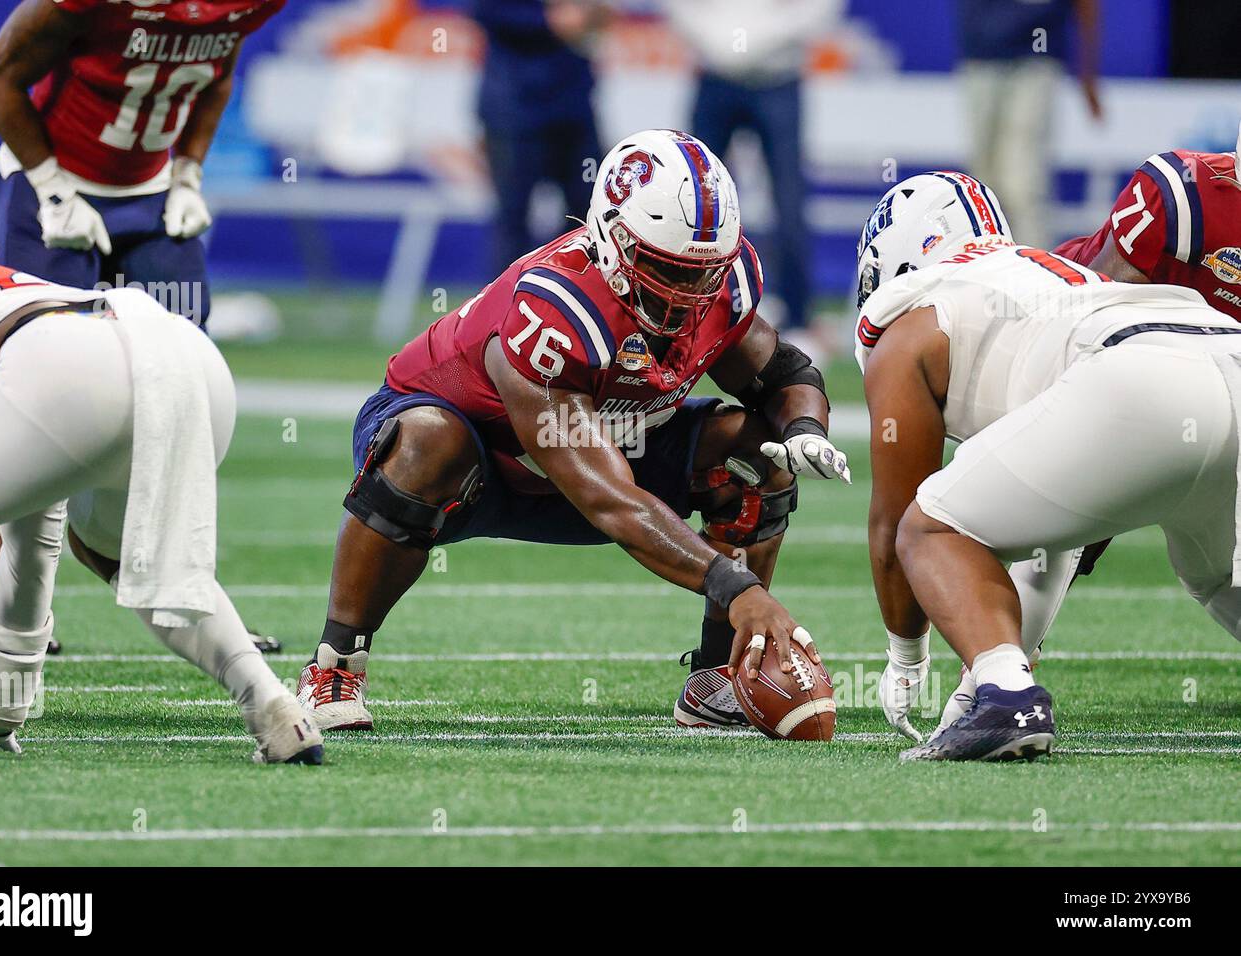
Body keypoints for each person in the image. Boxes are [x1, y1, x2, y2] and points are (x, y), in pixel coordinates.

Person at [295, 130, 850, 732]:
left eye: (703, 273)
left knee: (756, 459)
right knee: (430, 440)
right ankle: (335, 662)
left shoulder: (724, 283)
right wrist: (739, 589)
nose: (688, 293)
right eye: (667, 269)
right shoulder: (556, 310)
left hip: (611, 445)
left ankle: (718, 679)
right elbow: (606, 499)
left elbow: (784, 372)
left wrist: (802, 429)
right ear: (611, 240)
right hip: (482, 458)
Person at [859, 171, 1241, 761]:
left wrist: (906, 656)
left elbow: (895, 527)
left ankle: (1008, 695)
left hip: (1141, 380)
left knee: (928, 524)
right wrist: (981, 681)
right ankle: (1002, 689)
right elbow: (1050, 540)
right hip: (1224, 348)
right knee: (1212, 572)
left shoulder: (913, 324)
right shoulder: (1043, 272)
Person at [0, 0, 284, 651]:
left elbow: (217, 70)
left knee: (186, 389)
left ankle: (191, 597)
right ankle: (5, 601)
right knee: (30, 390)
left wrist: (189, 171)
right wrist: (50, 186)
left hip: (152, 193)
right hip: (53, 184)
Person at [0, 227, 321, 762]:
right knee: (130, 555)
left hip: (65, 369)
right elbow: (34, 515)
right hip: (186, 360)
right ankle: (270, 703)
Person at [664, 0, 842, 338]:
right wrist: (722, 44)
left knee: (789, 201)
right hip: (714, 76)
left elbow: (819, 9)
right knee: (692, 200)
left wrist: (750, 44)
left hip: (780, 75)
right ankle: (681, 307)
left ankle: (797, 317)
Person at [471, 0, 606, 272]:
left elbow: (594, 17)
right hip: (514, 107)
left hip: (573, 104)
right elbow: (483, 10)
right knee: (513, 218)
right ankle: (506, 309)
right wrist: (547, 19)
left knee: (591, 210)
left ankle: (577, 295)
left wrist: (593, 13)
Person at [957, 0, 1102, 246]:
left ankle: (1036, 271)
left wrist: (1088, 71)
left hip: (1035, 57)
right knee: (982, 184)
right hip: (981, 53)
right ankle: (981, 268)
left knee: (1023, 182)